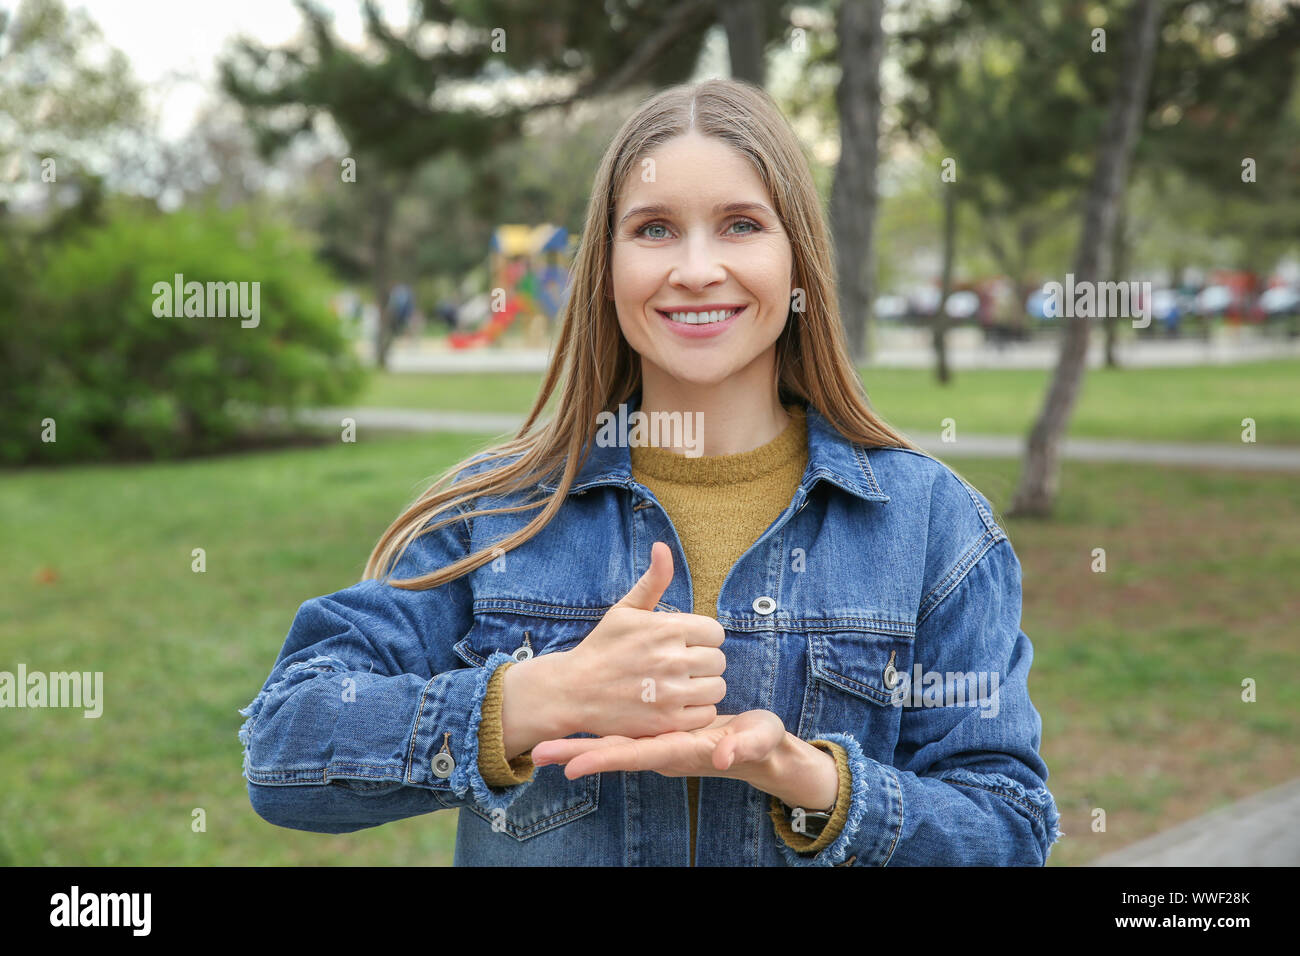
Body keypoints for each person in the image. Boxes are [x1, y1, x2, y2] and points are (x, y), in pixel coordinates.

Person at [239, 78, 1061, 866]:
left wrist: (812, 782)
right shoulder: (498, 513)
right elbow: (284, 745)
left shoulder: (933, 527)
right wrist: (545, 696)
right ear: (607, 266)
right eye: (655, 229)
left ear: (798, 260)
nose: (696, 268)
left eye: (741, 224)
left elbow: (1008, 826)